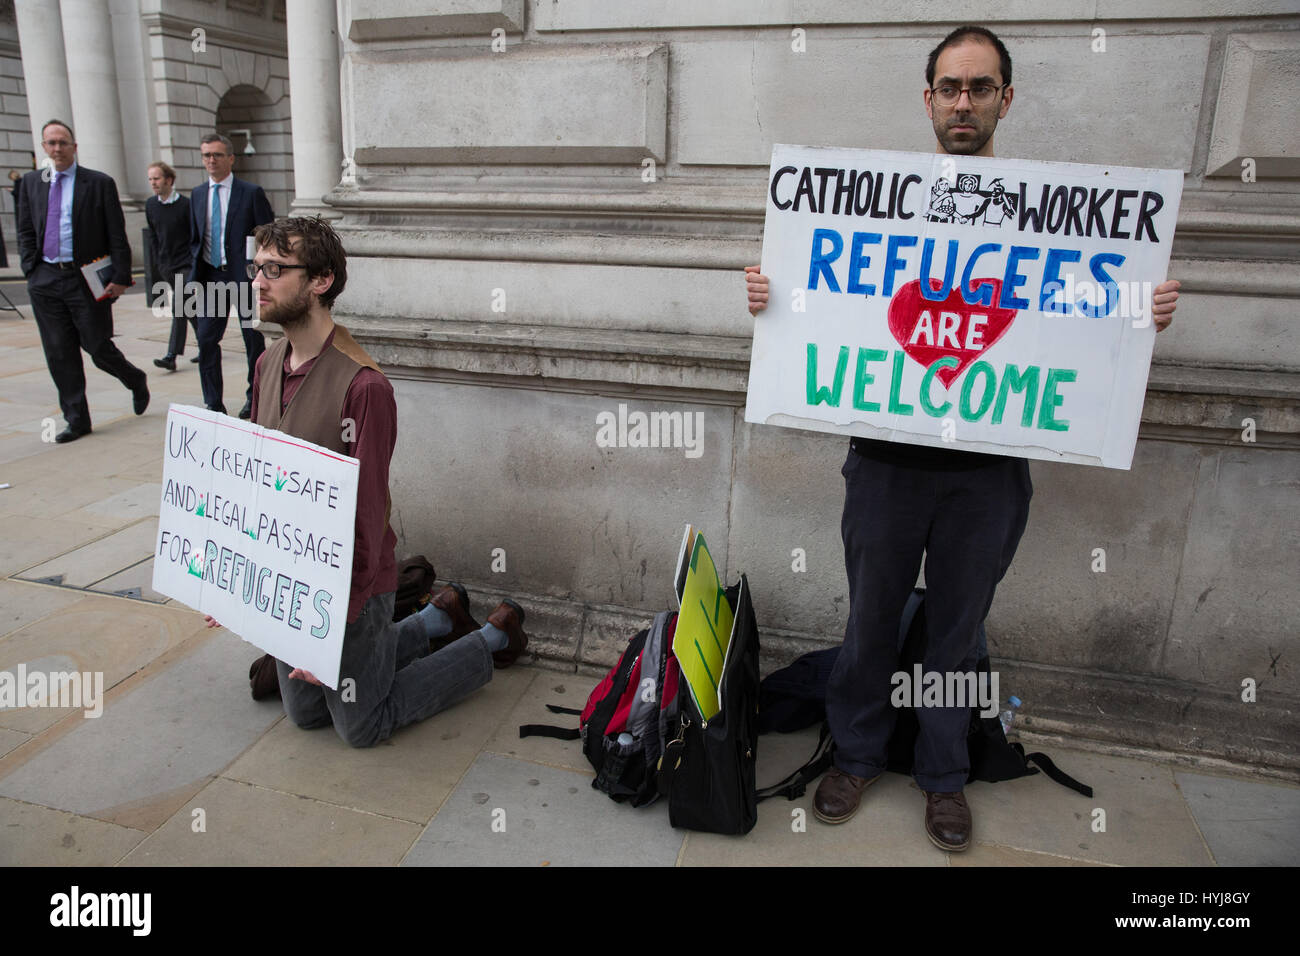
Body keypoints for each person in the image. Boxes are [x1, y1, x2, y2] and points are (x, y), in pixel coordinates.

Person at [744, 26, 1181, 851]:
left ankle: (944, 776)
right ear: (929, 99)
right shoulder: (875, 196)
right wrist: (775, 293)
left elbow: (1073, 307)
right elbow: (834, 295)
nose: (964, 103)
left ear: (1004, 101)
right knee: (871, 623)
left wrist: (1138, 310)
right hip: (886, 466)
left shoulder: (1048, 215)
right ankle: (859, 753)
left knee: (956, 633)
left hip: (987, 475)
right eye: (950, 87)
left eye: (981, 88)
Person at [210, 216, 529, 748]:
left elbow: (366, 516)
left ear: (320, 282)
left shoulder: (365, 387)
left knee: (362, 725)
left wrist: (332, 626)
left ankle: (492, 638)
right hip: (292, 574)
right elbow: (256, 478)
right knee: (306, 713)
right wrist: (229, 577)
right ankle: (433, 622)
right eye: (255, 268)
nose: (257, 282)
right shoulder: (267, 361)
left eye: (274, 269)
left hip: (352, 584)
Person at [16, 119, 148, 443]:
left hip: (85, 279)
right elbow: (25, 229)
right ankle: (77, 420)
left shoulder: (98, 183)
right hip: (45, 279)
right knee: (59, 352)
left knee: (97, 345)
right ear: (43, 147)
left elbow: (116, 232)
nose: (57, 148)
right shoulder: (31, 183)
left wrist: (120, 277)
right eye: (51, 143)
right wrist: (30, 269)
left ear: (74, 147)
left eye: (63, 142)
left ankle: (134, 378)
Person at [188, 132, 273, 418]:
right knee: (206, 339)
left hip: (245, 278)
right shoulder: (198, 195)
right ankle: (213, 402)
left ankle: (254, 396)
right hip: (212, 278)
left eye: (217, 154)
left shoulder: (250, 193)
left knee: (253, 340)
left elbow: (268, 235)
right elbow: (195, 237)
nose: (211, 160)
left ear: (230, 158)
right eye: (206, 155)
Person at [145, 161, 194, 371]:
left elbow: (194, 235)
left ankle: (171, 355)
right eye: (150, 179)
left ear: (169, 180)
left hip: (185, 264)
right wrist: (159, 262)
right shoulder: (150, 204)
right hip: (167, 265)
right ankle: (209, 345)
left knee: (180, 308)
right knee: (190, 310)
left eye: (156, 178)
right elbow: (154, 235)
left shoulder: (186, 205)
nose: (153, 183)